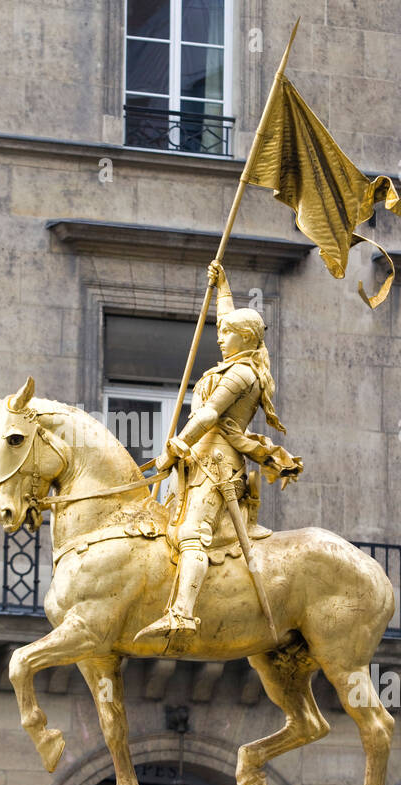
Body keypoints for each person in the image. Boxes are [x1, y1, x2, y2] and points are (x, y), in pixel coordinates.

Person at [134, 261, 303, 646]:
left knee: (192, 534)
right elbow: (229, 318)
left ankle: (183, 613)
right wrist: (222, 288)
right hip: (197, 458)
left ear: (245, 339)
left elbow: (210, 414)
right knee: (167, 528)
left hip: (218, 463)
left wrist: (180, 440)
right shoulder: (236, 359)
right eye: (220, 332)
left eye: (228, 335)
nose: (220, 338)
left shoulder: (243, 374)